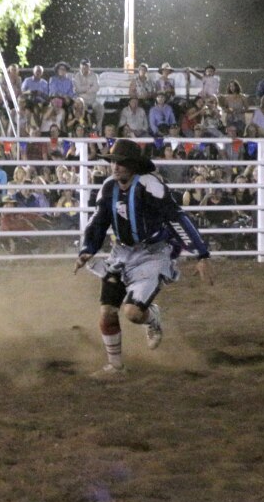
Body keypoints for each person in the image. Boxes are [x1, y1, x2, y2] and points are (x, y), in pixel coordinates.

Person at [74, 139, 214, 378]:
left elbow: (176, 218)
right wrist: (88, 248)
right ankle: (116, 366)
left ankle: (152, 317)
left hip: (153, 253)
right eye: (113, 162)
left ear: (133, 165)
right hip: (121, 253)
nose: (115, 167)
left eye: (121, 163)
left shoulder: (150, 186)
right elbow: (99, 221)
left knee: (133, 313)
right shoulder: (108, 187)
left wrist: (201, 253)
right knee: (107, 311)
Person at [72, 59, 103, 130]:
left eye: (86, 66)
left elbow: (96, 88)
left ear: (89, 66)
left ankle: (98, 128)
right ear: (80, 66)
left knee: (100, 108)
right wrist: (89, 86)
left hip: (93, 100)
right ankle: (84, 128)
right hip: (82, 101)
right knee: (81, 110)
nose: (84, 68)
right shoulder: (77, 76)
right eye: (83, 66)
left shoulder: (94, 75)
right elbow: (78, 89)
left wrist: (85, 90)